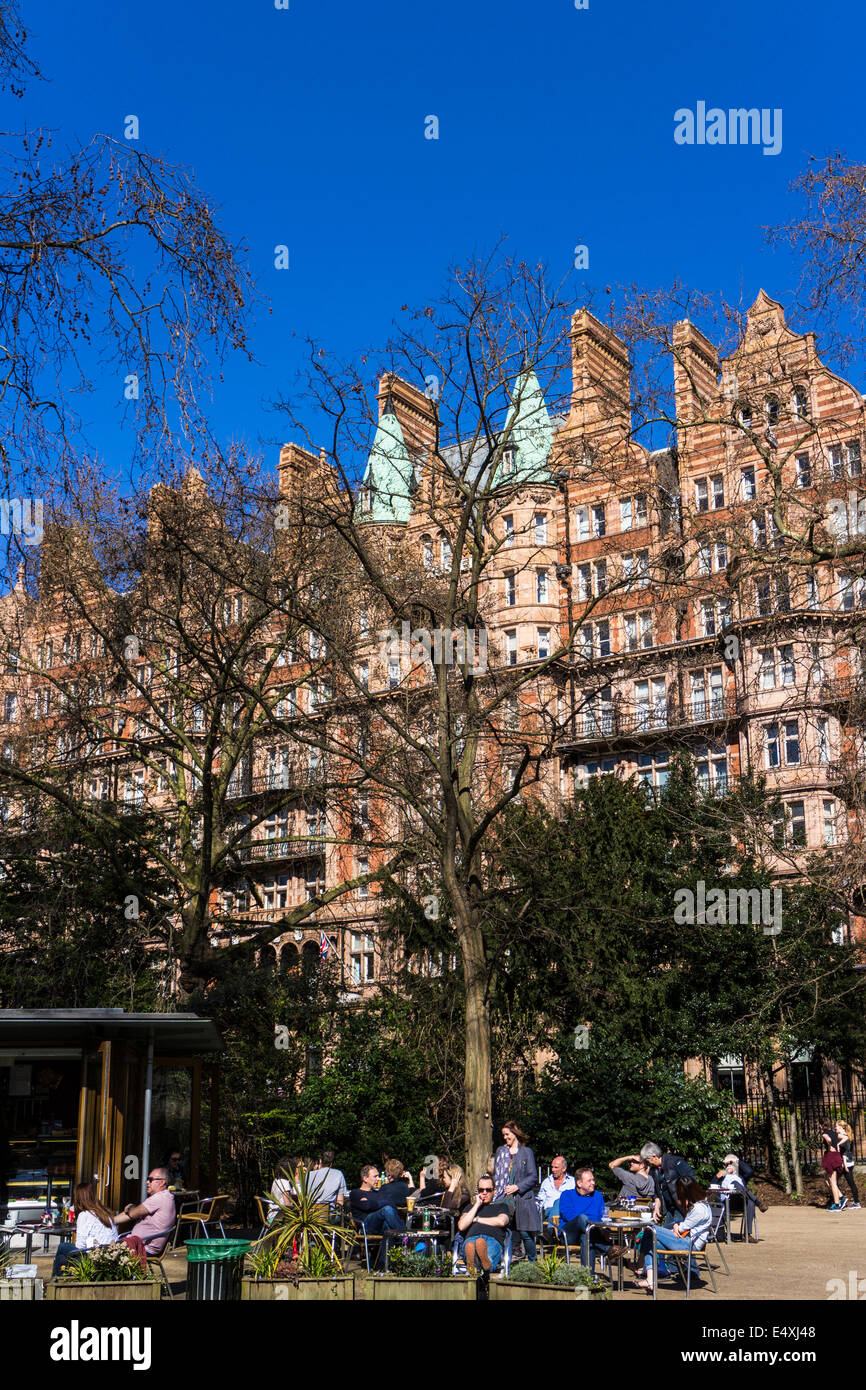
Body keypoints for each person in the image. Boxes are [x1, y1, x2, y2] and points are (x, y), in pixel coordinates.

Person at [636, 1177, 713, 1293]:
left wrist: (677, 1226)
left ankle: (643, 1271)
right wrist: (677, 1226)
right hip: (684, 1240)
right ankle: (650, 1279)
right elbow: (682, 1228)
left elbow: (681, 1229)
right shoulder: (700, 1204)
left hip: (689, 1244)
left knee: (649, 1228)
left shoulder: (699, 1209)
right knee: (649, 1240)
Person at [493, 1120, 541, 1262]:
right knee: (504, 1231)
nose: (505, 1137)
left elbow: (533, 1177)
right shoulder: (501, 1152)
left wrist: (517, 1186)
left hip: (523, 1198)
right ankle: (503, 1262)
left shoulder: (526, 1152)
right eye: (503, 1135)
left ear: (514, 1133)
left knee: (525, 1233)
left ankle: (533, 1264)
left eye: (507, 1134)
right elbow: (496, 1174)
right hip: (504, 1198)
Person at [53, 1180, 118, 1277]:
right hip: (109, 1254)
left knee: (62, 1247)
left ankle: (55, 1281)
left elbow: (80, 1245)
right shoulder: (105, 1213)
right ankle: (57, 1279)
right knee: (61, 1258)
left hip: (94, 1257)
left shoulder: (85, 1215)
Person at [458, 1174, 511, 1286]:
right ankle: (474, 1264)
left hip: (493, 1239)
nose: (485, 1193)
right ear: (477, 1191)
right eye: (481, 1190)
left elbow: (501, 1221)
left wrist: (477, 1219)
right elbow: (462, 1225)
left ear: (494, 1191)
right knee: (471, 1244)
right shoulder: (470, 1208)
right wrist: (477, 1205)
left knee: (486, 1247)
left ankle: (481, 1265)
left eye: (488, 1190)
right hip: (471, 1239)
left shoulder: (502, 1206)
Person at [348, 1164, 404, 1268]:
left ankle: (385, 1265)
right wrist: (381, 1203)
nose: (378, 1179)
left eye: (378, 1176)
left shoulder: (378, 1193)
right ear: (365, 1178)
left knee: (389, 1227)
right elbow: (367, 1206)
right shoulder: (355, 1193)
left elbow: (392, 1204)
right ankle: (404, 1238)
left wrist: (373, 1203)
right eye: (375, 1176)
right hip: (365, 1226)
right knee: (386, 1210)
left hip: (380, 1225)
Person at [558, 1167, 611, 1272]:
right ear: (579, 1183)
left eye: (593, 1180)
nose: (593, 1183)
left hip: (589, 1233)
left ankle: (587, 1278)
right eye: (589, 1181)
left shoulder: (598, 1196)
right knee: (582, 1218)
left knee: (586, 1237)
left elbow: (600, 1217)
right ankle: (608, 1248)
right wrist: (589, 1219)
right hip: (569, 1234)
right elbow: (570, 1216)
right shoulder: (567, 1195)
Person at [114, 1166, 176, 1255]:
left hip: (142, 1248)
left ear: (162, 1182)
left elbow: (132, 1214)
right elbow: (132, 1213)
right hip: (139, 1244)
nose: (147, 1182)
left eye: (150, 1180)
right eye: (147, 1179)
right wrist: (110, 1221)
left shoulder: (159, 1198)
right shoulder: (166, 1197)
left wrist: (130, 1207)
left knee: (102, 1248)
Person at [641, 1142, 696, 1227]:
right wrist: (656, 1207)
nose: (648, 1164)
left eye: (648, 1161)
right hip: (670, 1208)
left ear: (654, 1156)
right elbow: (656, 1192)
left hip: (681, 1206)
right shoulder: (654, 1171)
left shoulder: (675, 1162)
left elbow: (691, 1179)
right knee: (666, 1232)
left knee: (674, 1235)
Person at [715, 1155, 759, 1242]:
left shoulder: (741, 1177)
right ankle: (758, 1202)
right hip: (727, 1202)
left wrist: (737, 1161)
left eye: (731, 1164)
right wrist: (717, 1177)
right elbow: (712, 1186)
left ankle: (747, 1235)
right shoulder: (722, 1176)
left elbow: (749, 1171)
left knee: (750, 1202)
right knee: (735, 1183)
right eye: (727, 1164)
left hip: (741, 1202)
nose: (729, 1165)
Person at [537, 1156, 575, 1236]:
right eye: (552, 1167)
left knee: (560, 1201)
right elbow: (540, 1200)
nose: (553, 1170)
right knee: (558, 1203)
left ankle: (551, 1232)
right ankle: (553, 1232)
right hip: (548, 1213)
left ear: (564, 1168)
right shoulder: (547, 1182)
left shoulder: (573, 1182)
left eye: (556, 1167)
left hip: (566, 1213)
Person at [834, 1122, 861, 1209]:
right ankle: (855, 1202)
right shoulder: (845, 1137)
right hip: (846, 1163)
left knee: (832, 1182)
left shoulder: (844, 1138)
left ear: (841, 1127)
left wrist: (845, 1165)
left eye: (836, 1126)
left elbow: (845, 1153)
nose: (835, 1128)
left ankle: (843, 1200)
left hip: (846, 1164)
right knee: (850, 1183)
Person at [820, 1119, 845, 1209]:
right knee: (830, 1180)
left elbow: (829, 1140)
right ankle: (841, 1197)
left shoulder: (824, 1133)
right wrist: (838, 1145)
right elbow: (845, 1137)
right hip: (836, 1156)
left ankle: (837, 1204)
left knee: (833, 1182)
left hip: (830, 1157)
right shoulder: (834, 1133)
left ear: (821, 1125)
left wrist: (830, 1147)